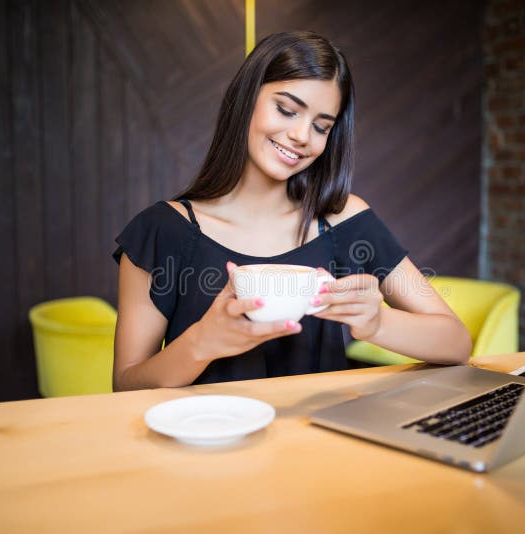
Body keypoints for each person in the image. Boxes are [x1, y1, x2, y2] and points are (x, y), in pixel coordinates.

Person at [112, 31, 471, 390]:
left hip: (320, 444)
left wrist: (378, 324)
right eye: (286, 109)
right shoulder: (162, 231)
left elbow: (456, 342)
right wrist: (201, 343)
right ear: (247, 99)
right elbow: (125, 385)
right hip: (207, 444)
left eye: (321, 127)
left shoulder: (346, 221)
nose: (302, 135)